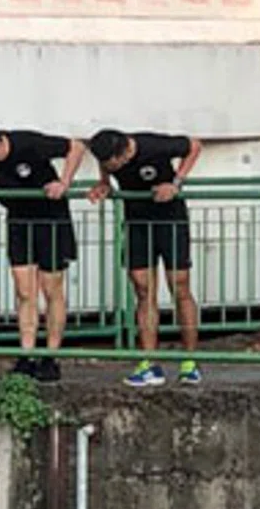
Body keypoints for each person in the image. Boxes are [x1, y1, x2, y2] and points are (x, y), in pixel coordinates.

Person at [0, 122, 86, 383]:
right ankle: (26, 354)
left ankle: (50, 356)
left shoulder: (29, 143)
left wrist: (64, 181)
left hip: (50, 218)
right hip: (18, 219)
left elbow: (77, 146)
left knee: (52, 289)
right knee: (24, 290)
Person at [86, 129, 205, 387]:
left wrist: (176, 182)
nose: (109, 167)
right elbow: (103, 165)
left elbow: (194, 145)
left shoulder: (154, 145)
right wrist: (104, 182)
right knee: (142, 288)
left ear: (124, 153)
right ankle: (149, 362)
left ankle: (190, 360)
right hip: (137, 222)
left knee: (179, 285)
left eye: (111, 165)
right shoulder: (108, 158)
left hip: (170, 219)